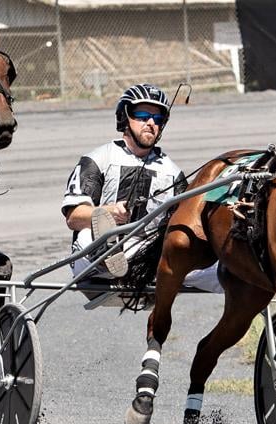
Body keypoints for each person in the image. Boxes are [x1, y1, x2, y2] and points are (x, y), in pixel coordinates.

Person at [61, 83, 221, 293]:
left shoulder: (172, 171)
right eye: (143, 115)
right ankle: (110, 255)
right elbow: (73, 217)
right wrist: (106, 213)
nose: (150, 123)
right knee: (86, 236)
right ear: (125, 117)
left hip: (151, 259)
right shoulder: (98, 158)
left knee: (226, 270)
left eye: (158, 118)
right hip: (92, 256)